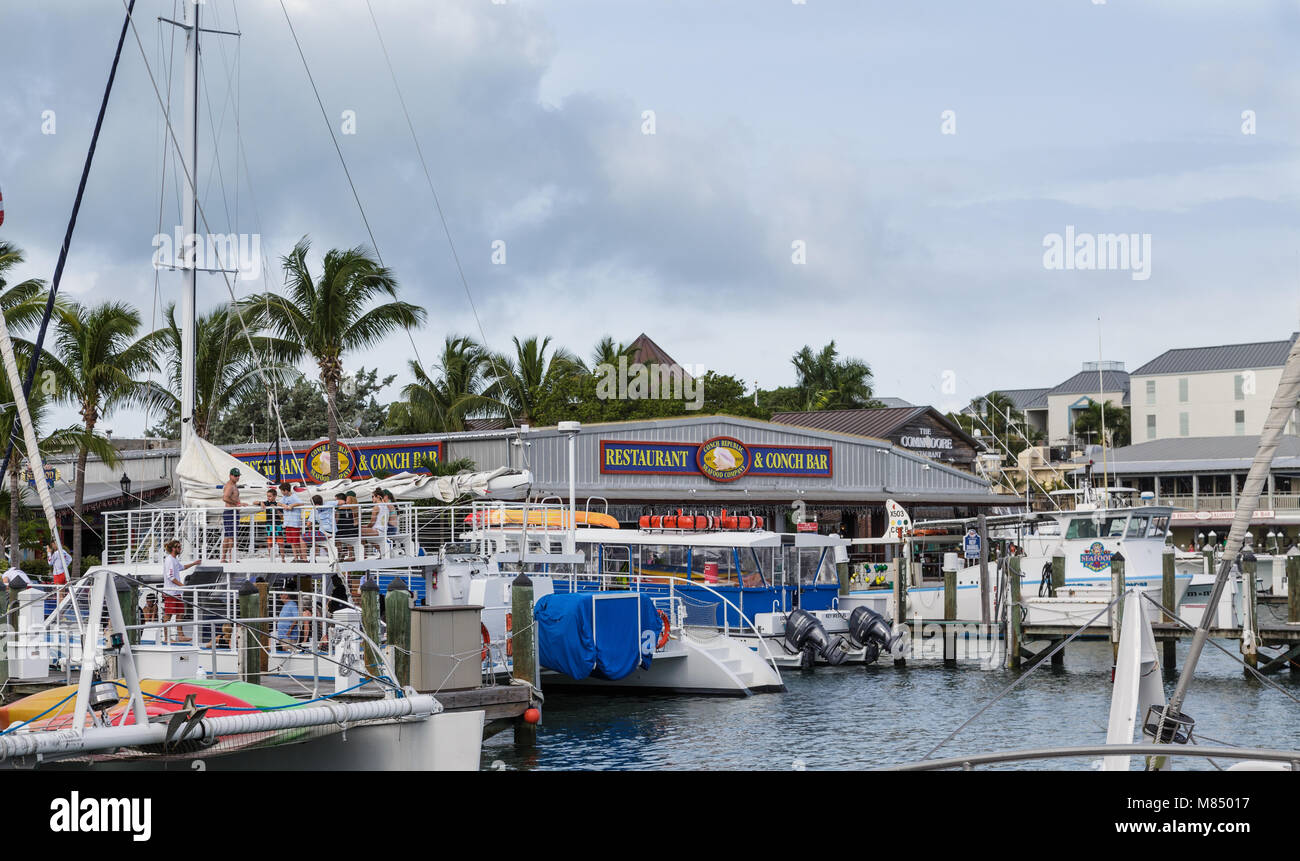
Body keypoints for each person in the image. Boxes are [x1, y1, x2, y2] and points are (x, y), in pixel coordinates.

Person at [162, 539, 201, 644]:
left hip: (176, 592)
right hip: (170, 592)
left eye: (180, 547)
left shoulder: (174, 560)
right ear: (173, 549)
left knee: (180, 613)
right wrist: (183, 586)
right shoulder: (169, 560)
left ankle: (181, 635)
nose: (180, 549)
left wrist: (194, 563)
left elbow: (182, 567)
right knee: (168, 615)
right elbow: (170, 577)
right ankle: (166, 637)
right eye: (179, 547)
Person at [279, 481, 307, 562]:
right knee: (291, 541)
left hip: (294, 523)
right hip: (287, 522)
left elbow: (301, 503)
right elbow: (278, 503)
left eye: (282, 491)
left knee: (296, 541)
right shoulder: (284, 497)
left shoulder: (294, 496)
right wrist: (283, 505)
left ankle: (301, 557)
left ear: (286, 490)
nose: (281, 493)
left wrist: (292, 505)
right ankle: (295, 557)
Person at [221, 467, 242, 562]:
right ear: (230, 476)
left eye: (238, 476)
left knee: (227, 536)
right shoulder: (230, 486)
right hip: (230, 513)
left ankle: (223, 558)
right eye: (235, 475)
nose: (237, 477)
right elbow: (225, 498)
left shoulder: (233, 485)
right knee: (231, 537)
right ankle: (231, 559)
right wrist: (237, 504)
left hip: (232, 512)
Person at [260, 486, 283, 560]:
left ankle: (283, 557)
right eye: (267, 496)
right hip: (269, 524)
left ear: (275, 496)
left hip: (278, 524)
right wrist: (261, 503)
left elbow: (281, 516)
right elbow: (254, 502)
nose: (268, 498)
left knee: (280, 542)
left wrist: (276, 509)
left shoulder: (278, 504)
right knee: (270, 541)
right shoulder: (266, 503)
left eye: (270, 496)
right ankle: (270, 557)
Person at [276, 582, 301, 649]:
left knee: (288, 654)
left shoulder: (292, 605)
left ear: (286, 595)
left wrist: (290, 630)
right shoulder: (285, 605)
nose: (280, 596)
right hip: (282, 636)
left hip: (288, 637)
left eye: (281, 594)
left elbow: (297, 618)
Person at [334, 492, 356, 561]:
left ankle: (340, 551)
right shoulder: (350, 508)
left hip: (342, 532)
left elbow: (336, 521)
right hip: (351, 530)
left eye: (336, 500)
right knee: (348, 537)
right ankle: (351, 554)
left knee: (334, 535)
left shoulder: (338, 510)